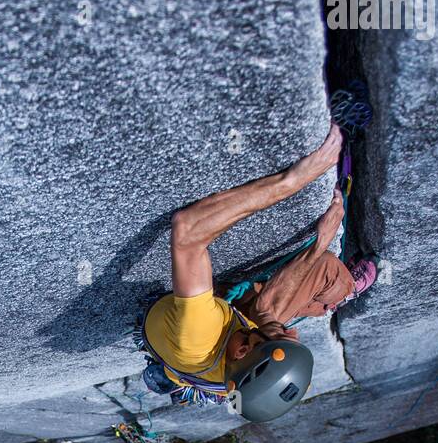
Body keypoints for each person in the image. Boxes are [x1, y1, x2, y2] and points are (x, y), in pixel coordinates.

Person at [143, 122, 377, 396]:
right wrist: (317, 245)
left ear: (243, 350)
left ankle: (339, 290)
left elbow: (187, 231)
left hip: (197, 335)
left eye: (283, 338)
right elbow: (265, 316)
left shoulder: (199, 334)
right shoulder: (239, 376)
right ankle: (329, 298)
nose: (295, 335)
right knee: (277, 299)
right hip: (212, 341)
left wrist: (292, 181)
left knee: (326, 269)